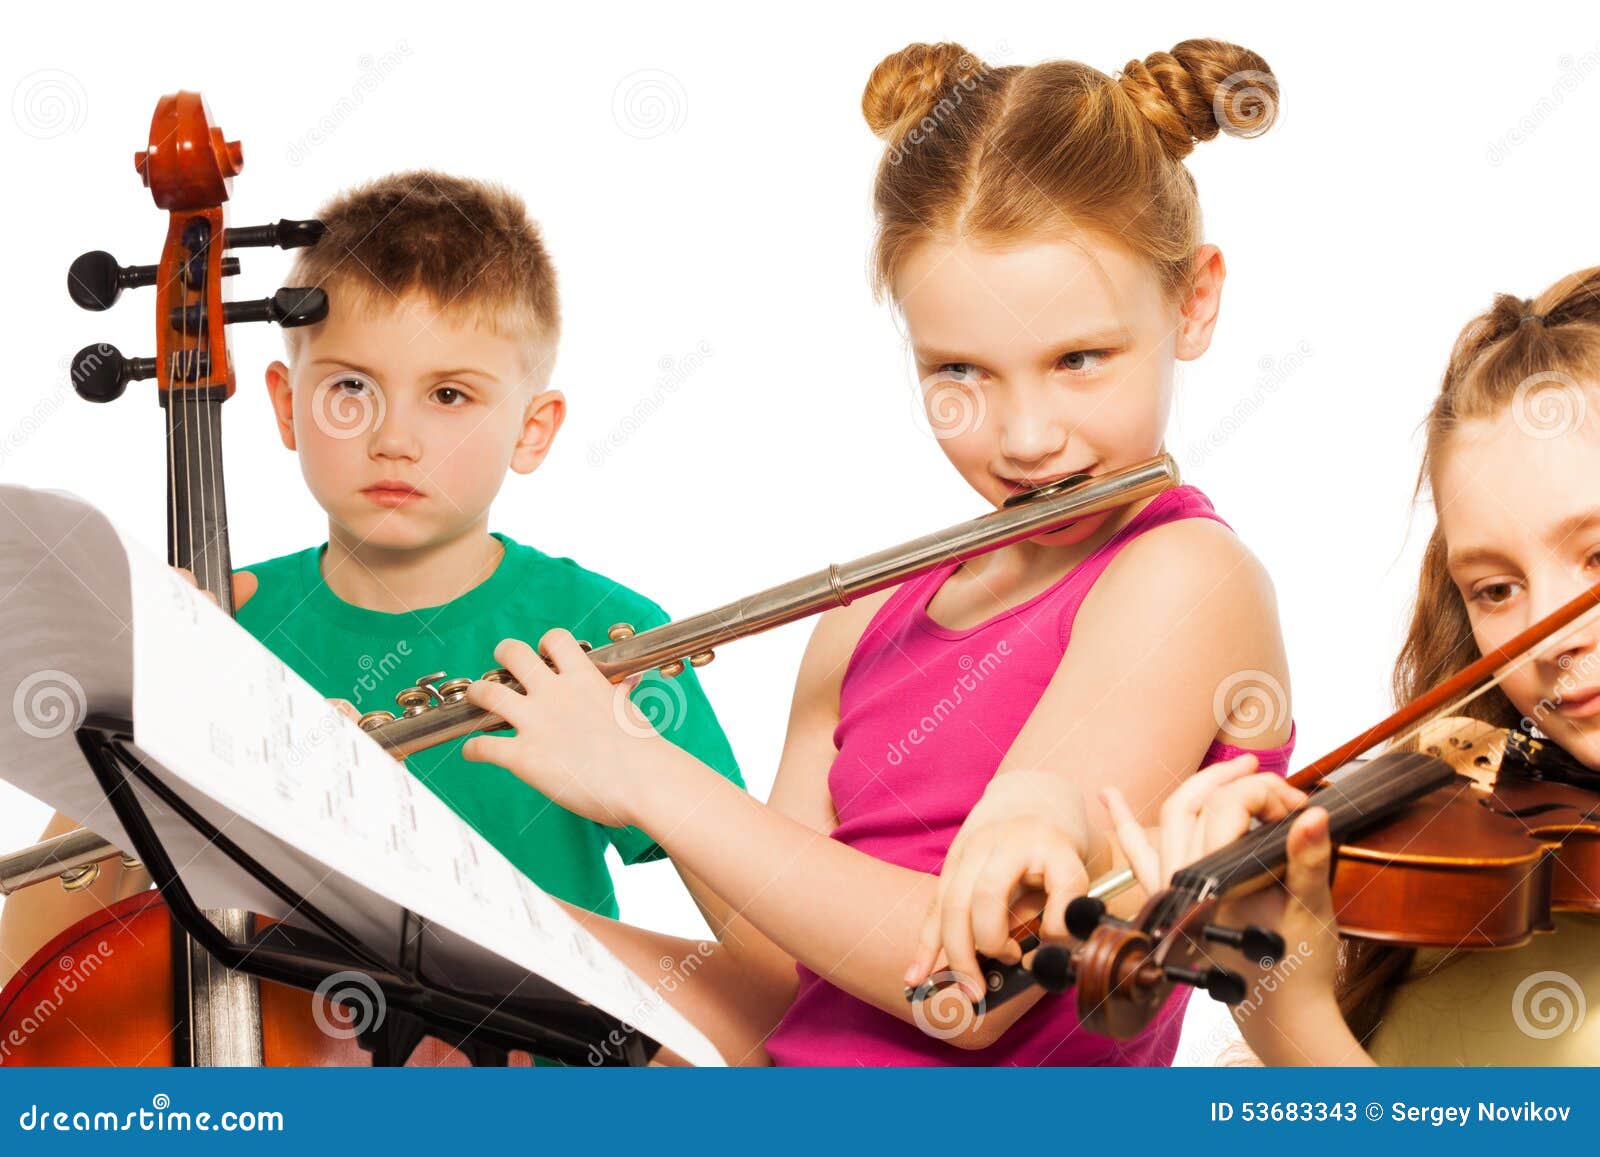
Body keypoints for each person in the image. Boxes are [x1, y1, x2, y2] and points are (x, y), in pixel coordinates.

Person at [454, 38, 1295, 1066]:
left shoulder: (1182, 580)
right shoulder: (864, 619)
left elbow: (966, 985)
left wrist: (645, 779)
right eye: (961, 370)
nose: (1025, 434)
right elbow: (782, 978)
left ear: (1192, 300)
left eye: (1080, 359)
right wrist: (466, 926)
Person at [0, 171, 743, 991]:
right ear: (286, 405)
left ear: (533, 429)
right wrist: (145, 710)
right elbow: (27, 960)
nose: (394, 437)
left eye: (450, 394)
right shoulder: (217, 628)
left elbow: (772, 959)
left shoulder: (607, 630)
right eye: (350, 388)